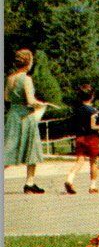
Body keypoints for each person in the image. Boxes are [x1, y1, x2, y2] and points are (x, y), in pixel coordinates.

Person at [4, 49, 48, 193]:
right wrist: (40, 104)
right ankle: (29, 183)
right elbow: (30, 100)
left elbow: (6, 98)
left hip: (12, 114)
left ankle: (30, 183)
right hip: (25, 116)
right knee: (32, 148)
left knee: (8, 148)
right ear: (28, 62)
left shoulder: (10, 78)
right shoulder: (26, 79)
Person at [65, 84, 99, 194]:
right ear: (92, 96)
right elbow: (92, 126)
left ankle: (70, 178)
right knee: (93, 162)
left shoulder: (77, 110)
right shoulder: (93, 111)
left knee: (79, 161)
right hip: (91, 138)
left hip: (80, 138)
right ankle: (93, 186)